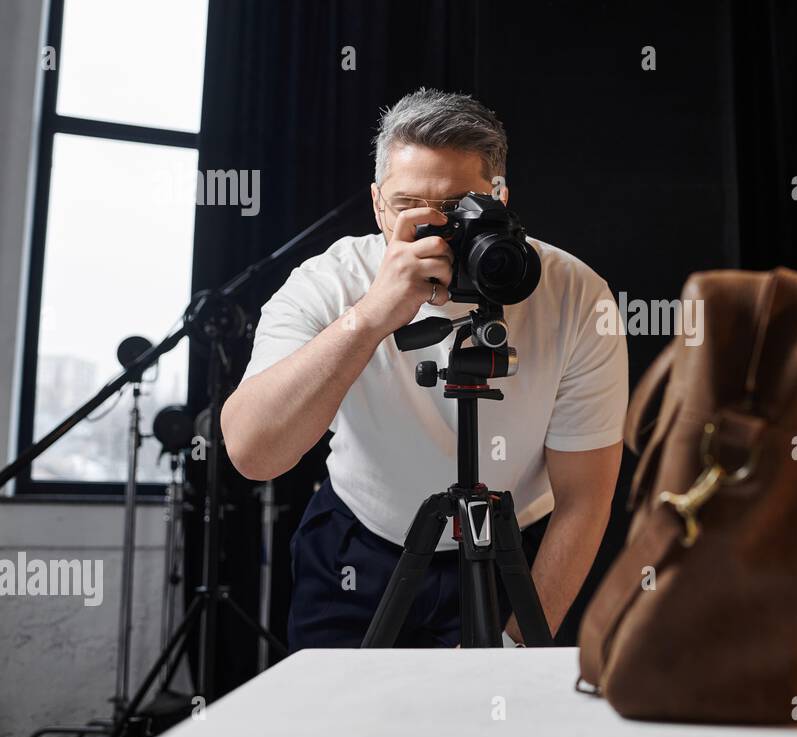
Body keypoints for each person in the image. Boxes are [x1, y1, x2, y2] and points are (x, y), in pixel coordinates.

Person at [221, 88, 628, 648]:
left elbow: (585, 498)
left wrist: (514, 646)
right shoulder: (330, 282)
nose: (434, 230)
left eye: (460, 206)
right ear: (376, 206)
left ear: (501, 200)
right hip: (359, 545)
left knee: (497, 731)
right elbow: (253, 453)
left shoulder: (576, 294)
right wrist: (368, 320)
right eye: (408, 206)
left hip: (515, 552)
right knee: (339, 734)